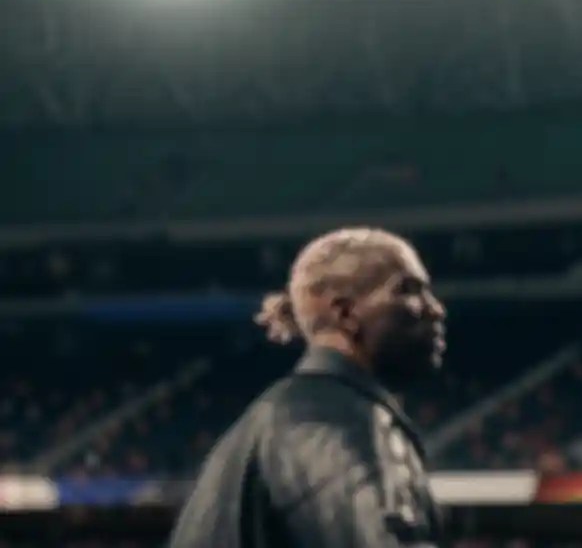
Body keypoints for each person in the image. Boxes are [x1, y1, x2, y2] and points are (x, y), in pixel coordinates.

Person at [169, 227, 448, 548]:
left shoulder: (267, 422)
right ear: (345, 313)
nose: (436, 309)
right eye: (409, 290)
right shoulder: (339, 419)